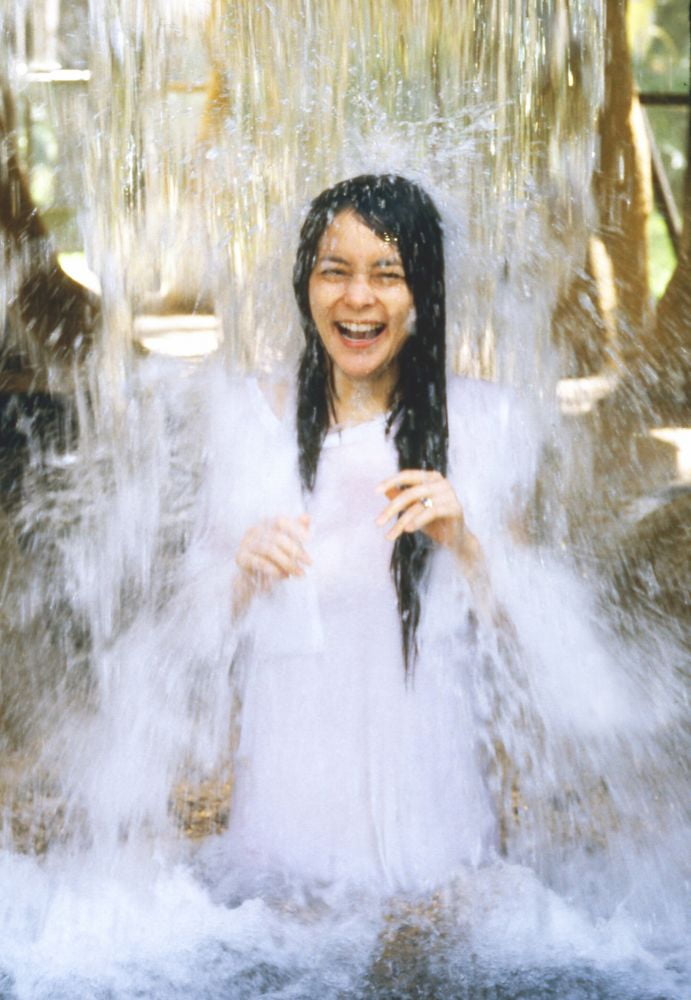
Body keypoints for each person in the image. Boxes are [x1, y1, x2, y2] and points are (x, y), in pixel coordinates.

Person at [211, 174, 535, 893]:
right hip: (284, 841)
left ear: (423, 293)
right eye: (336, 272)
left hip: (437, 840)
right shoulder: (247, 422)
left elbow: (535, 641)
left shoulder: (486, 424)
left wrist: (467, 540)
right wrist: (236, 573)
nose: (357, 299)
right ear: (306, 285)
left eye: (386, 275)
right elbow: (180, 641)